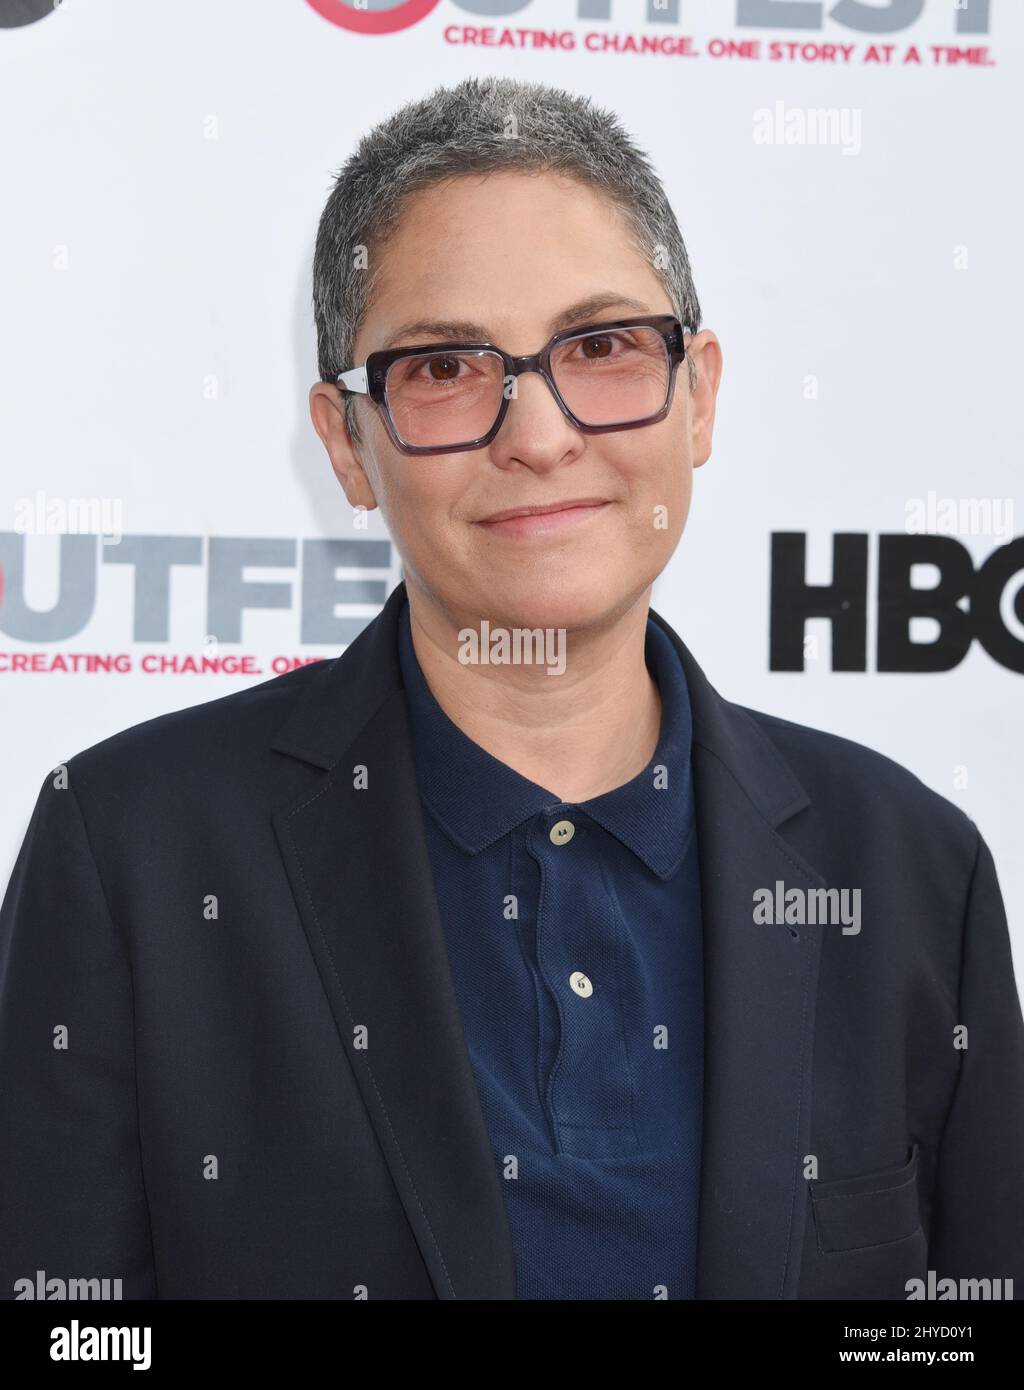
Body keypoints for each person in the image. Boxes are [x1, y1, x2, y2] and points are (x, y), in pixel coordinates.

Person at [1, 76, 1021, 1301]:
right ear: (346, 444)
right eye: (444, 367)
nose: (536, 435)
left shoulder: (910, 867)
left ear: (695, 395)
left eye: (599, 348)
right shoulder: (133, 850)